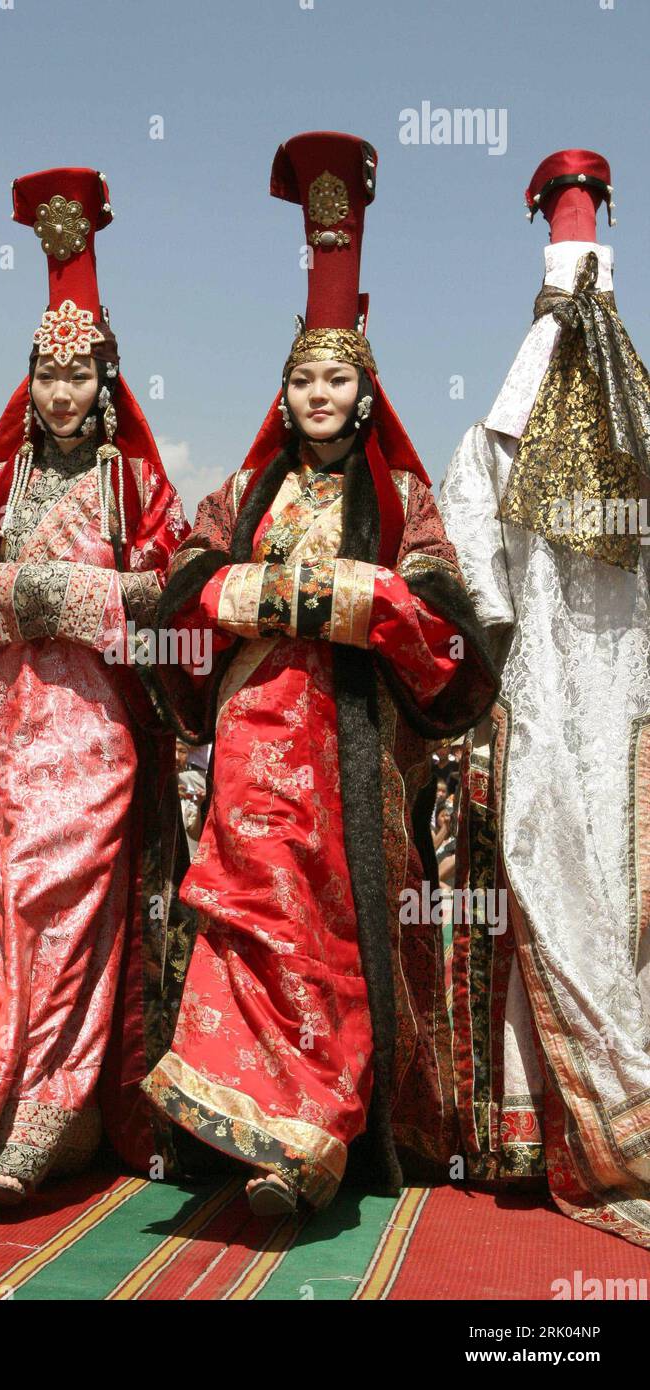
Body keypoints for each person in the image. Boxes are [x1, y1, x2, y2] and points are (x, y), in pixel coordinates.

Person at [141, 132, 498, 1216]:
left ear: (367, 385)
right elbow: (185, 585)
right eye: (305, 377)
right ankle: (253, 1128)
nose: (320, 394)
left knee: (333, 941)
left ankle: (317, 1138)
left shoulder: (399, 502)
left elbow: (439, 619)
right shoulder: (244, 493)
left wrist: (339, 595)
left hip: (351, 766)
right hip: (253, 748)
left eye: (339, 377)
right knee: (249, 919)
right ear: (284, 388)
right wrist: (274, 593)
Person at [0, 167, 194, 1207]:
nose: (61, 392)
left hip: (92, 735)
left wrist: (60, 595)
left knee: (70, 912)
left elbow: (174, 599)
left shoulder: (135, 484)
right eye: (45, 374)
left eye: (78, 375)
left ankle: (56, 1112)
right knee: (5, 920)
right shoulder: (2, 481)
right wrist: (9, 590)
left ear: (110, 382)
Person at [440, 150, 650, 1246]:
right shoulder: (505, 438)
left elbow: (472, 550)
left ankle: (560, 1123)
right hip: (556, 690)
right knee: (555, 873)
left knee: (615, 884)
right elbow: (471, 557)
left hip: (621, 697)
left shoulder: (518, 441)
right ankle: (537, 1123)